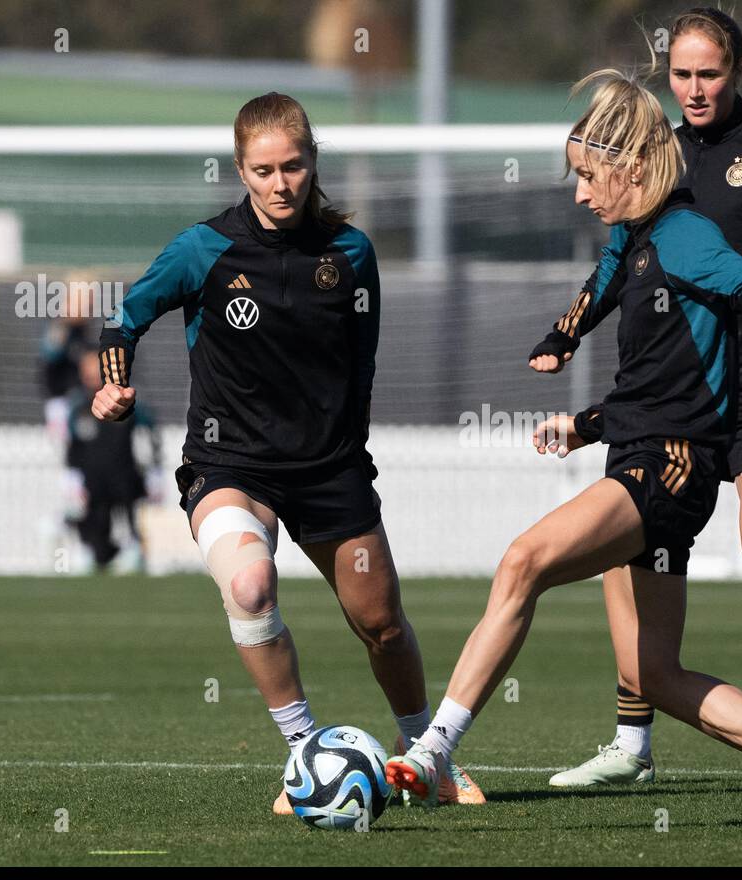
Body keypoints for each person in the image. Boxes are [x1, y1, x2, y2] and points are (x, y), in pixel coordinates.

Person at [386, 70, 742, 831]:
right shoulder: (645, 246)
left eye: (587, 177)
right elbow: (656, 384)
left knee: (524, 561)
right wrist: (581, 426)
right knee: (652, 672)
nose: (581, 194)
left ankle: (433, 748)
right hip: (646, 455)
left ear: (631, 166)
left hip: (670, 469)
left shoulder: (681, 236)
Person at [92, 91, 483, 812]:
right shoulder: (202, 249)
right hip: (229, 467)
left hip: (330, 471)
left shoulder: (351, 253)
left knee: (383, 625)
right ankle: (305, 756)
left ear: (313, 163)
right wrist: (112, 389)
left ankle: (426, 753)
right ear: (241, 170)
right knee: (249, 586)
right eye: (263, 170)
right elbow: (122, 319)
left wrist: (348, 453)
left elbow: (360, 365)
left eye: (293, 167)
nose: (279, 184)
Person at [540, 8, 742, 793]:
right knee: (632, 544)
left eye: (708, 74)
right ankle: (632, 740)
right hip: (683, 391)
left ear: (738, 70)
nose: (692, 89)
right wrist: (567, 334)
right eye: (680, 75)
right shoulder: (657, 155)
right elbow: (618, 259)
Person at [67, 348, 160, 572]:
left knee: (130, 524)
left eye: (93, 367)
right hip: (93, 483)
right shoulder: (78, 407)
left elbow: (149, 435)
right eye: (85, 368)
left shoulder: (126, 400)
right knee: (97, 533)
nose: (89, 373)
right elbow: (73, 446)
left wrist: (154, 471)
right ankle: (96, 554)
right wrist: (71, 476)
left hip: (124, 478)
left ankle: (133, 553)